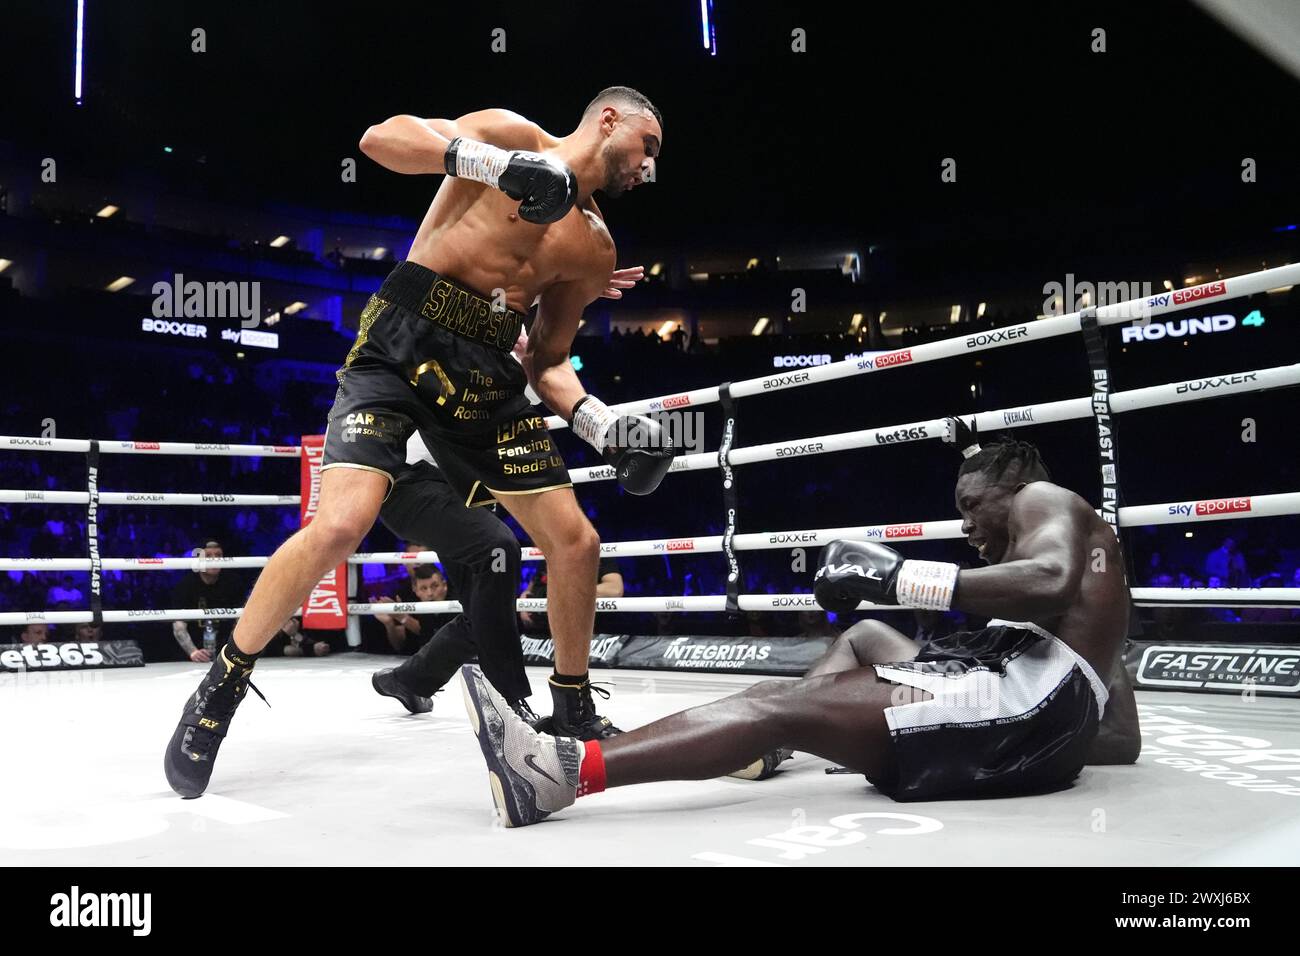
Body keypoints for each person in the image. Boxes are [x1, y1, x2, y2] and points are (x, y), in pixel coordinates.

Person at [164, 87, 669, 797]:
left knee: (576, 541)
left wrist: (600, 424)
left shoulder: (594, 247)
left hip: (489, 374)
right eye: (648, 146)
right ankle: (221, 685)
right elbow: (380, 138)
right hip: (403, 343)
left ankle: (574, 710)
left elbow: (548, 362)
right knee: (340, 523)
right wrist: (491, 165)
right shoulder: (509, 133)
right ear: (609, 119)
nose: (649, 166)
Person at [460, 434, 1143, 827]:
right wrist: (1054, 748)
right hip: (1028, 705)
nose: (966, 527)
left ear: (1013, 485)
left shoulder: (1043, 499)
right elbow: (1118, 733)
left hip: (1019, 703)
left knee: (775, 709)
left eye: (971, 507)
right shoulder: (1090, 588)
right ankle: (788, 740)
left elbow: (1050, 582)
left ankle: (559, 774)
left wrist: (903, 578)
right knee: (866, 639)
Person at [168, 540, 246, 663]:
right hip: (192, 655)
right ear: (198, 560)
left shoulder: (233, 583)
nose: (214, 560)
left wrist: (235, 651)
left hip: (228, 652)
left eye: (218, 555)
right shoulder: (185, 586)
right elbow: (179, 625)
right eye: (208, 556)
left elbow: (243, 620)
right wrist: (193, 652)